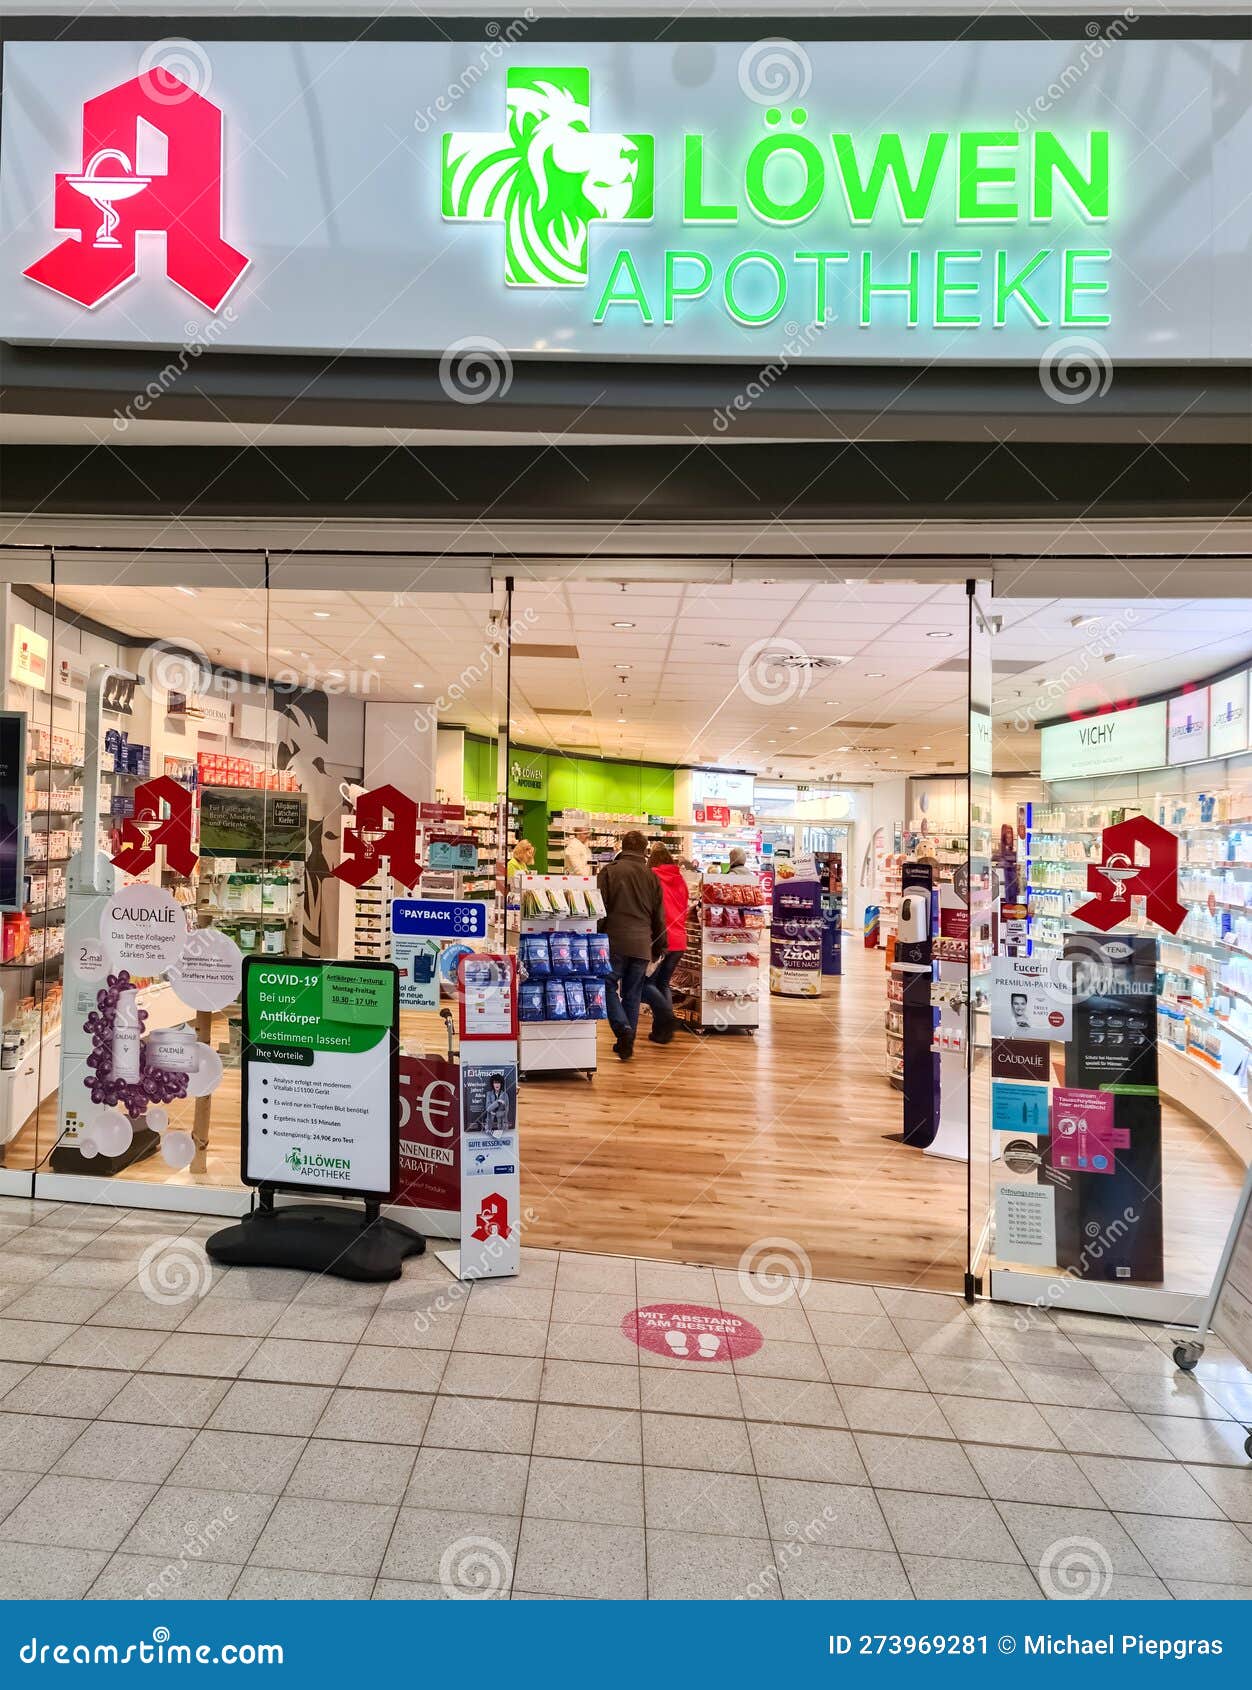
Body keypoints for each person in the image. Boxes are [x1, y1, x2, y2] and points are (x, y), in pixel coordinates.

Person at [596, 829, 665, 1061]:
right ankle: (627, 1043)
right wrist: (658, 945)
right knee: (632, 993)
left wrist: (596, 937)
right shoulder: (652, 876)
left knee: (606, 984)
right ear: (644, 850)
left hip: (614, 941)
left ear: (622, 847)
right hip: (642, 943)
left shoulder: (609, 872)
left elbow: (600, 910)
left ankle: (622, 1029)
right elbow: (659, 916)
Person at [642, 844, 688, 1044]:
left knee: (646, 984)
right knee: (663, 984)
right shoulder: (681, 879)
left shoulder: (651, 877)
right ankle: (662, 1032)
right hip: (679, 939)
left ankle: (667, 1020)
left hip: (660, 939)